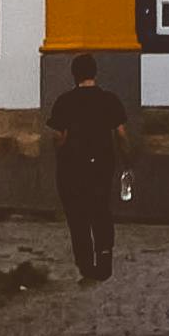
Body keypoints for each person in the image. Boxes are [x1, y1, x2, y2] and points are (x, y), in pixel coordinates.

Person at [48, 49, 131, 284]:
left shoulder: (65, 101)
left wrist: (60, 151)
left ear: (74, 75)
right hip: (102, 163)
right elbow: (121, 135)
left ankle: (85, 263)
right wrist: (127, 159)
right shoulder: (109, 100)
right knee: (100, 209)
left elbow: (58, 137)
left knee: (77, 214)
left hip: (72, 165)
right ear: (95, 73)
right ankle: (104, 256)